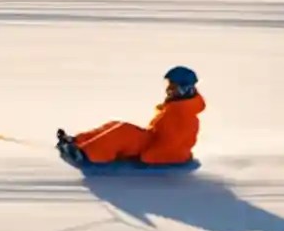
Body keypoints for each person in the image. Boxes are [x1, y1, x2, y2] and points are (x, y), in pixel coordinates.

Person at [58, 66, 205, 165]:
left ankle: (84, 154)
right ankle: (78, 141)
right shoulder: (178, 107)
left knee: (121, 133)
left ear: (184, 89)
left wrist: (146, 158)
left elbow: (174, 147)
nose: (168, 90)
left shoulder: (185, 117)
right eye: (168, 85)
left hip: (158, 152)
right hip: (151, 141)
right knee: (116, 125)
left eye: (172, 87)